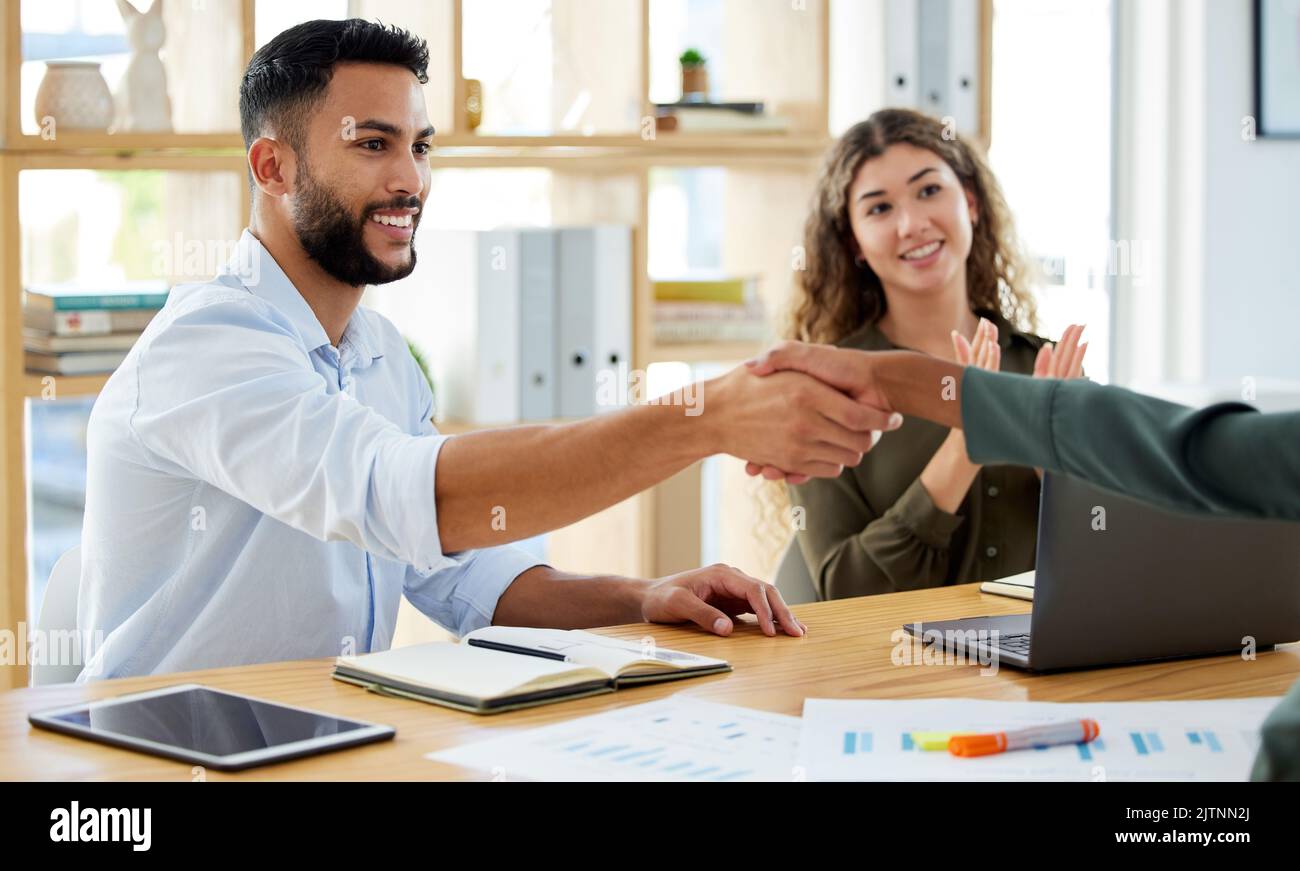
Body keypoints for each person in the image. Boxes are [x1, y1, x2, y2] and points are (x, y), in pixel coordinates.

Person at [76, 20, 896, 681]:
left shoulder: (381, 357)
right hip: (152, 762)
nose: (411, 180)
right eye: (374, 145)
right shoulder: (208, 342)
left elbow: (469, 577)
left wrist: (643, 596)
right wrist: (705, 418)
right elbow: (410, 499)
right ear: (273, 166)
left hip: (306, 744)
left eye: (421, 146)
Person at [744, 342, 1300, 780]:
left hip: (1044, 688)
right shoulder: (840, 394)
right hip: (900, 686)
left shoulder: (1035, 357)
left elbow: (1169, 477)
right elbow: (1201, 454)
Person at [781, 108, 1086, 600]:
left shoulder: (1045, 369)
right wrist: (964, 446)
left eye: (928, 191)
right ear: (853, 242)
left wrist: (1053, 463)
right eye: (879, 208)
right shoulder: (825, 385)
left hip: (1045, 669)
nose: (912, 224)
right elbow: (844, 593)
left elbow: (1112, 555)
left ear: (970, 202)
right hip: (893, 671)